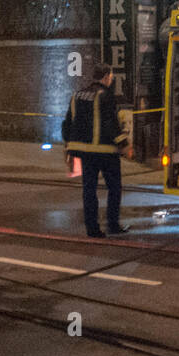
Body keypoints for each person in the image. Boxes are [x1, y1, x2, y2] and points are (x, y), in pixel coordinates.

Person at [62, 63, 130, 238]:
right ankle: (112, 224)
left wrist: (68, 144)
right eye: (111, 76)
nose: (112, 79)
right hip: (105, 151)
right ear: (106, 76)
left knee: (89, 189)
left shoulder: (77, 95)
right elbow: (110, 124)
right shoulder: (105, 96)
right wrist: (124, 145)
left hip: (84, 152)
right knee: (114, 188)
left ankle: (92, 228)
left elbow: (68, 122)